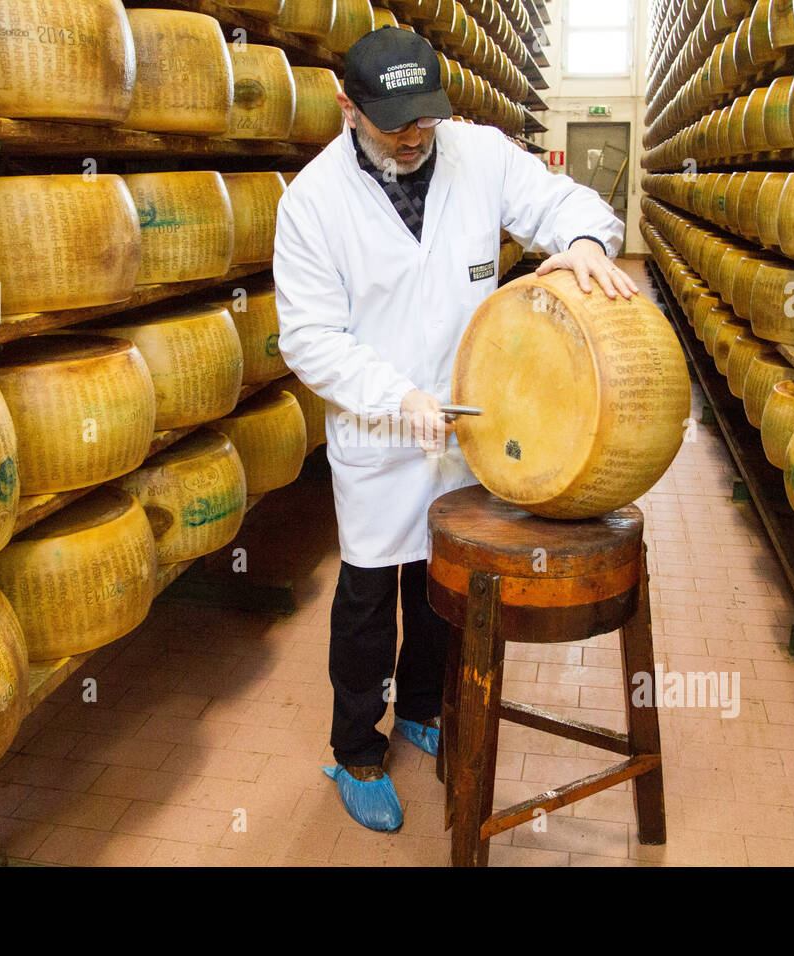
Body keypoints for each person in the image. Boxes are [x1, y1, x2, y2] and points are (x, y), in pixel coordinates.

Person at [272, 25, 636, 832]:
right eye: (394, 120)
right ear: (347, 106)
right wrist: (398, 398)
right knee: (368, 596)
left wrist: (579, 241)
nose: (413, 136)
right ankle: (356, 748)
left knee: (444, 590)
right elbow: (309, 337)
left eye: (425, 118)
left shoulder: (479, 154)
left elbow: (568, 201)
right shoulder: (312, 204)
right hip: (381, 436)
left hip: (469, 424)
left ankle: (423, 710)